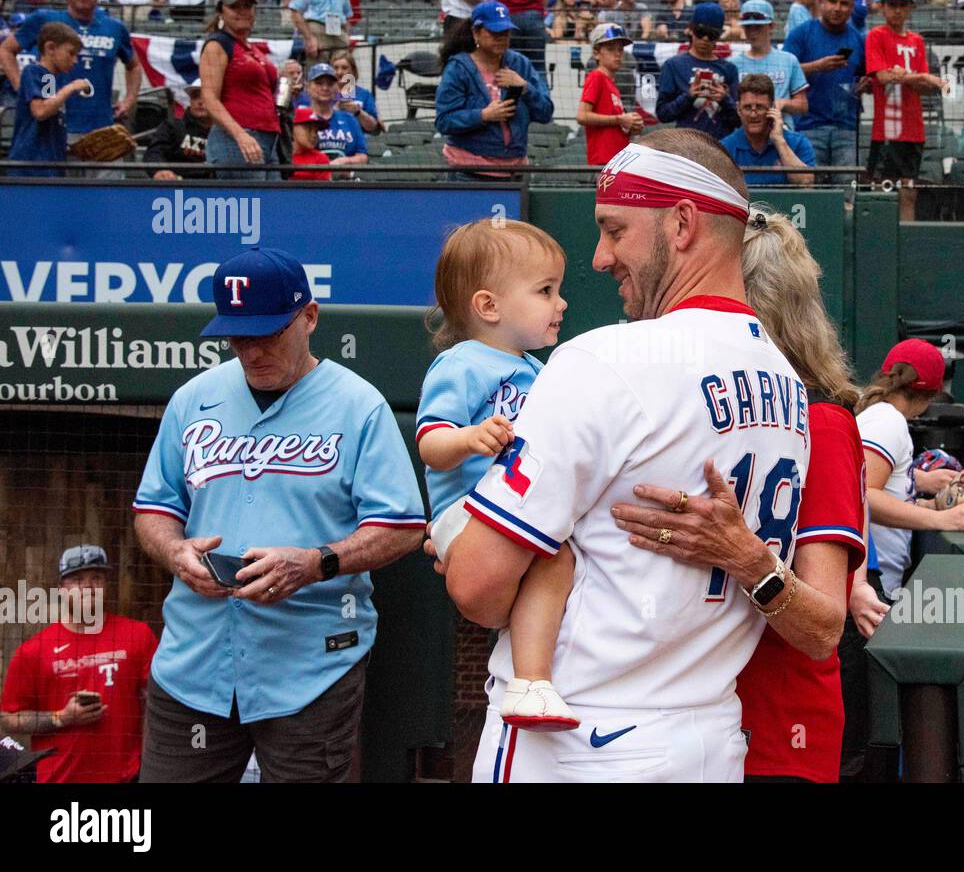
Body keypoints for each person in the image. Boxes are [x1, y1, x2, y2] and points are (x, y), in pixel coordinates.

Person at [426, 129, 813, 782]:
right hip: (708, 732)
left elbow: (478, 588)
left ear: (683, 222)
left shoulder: (605, 359)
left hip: (580, 735)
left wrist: (463, 547)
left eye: (615, 229)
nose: (600, 258)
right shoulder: (787, 384)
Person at [133, 247, 425, 783]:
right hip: (194, 663)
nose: (251, 350)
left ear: (309, 317)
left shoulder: (359, 406)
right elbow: (154, 509)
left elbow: (403, 527)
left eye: (268, 333)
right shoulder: (193, 399)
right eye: (238, 336)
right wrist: (175, 551)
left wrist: (316, 562)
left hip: (310, 667)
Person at [612, 205, 865, 783]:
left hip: (776, 735)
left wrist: (744, 555)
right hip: (678, 727)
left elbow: (823, 630)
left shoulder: (819, 424)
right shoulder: (680, 405)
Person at [419, 219, 576, 729]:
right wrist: (468, 438)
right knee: (556, 557)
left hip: (511, 507)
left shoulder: (538, 369)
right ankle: (529, 683)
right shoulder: (460, 364)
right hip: (465, 513)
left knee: (559, 556)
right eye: (545, 291)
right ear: (489, 307)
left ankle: (531, 676)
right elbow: (430, 446)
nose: (561, 304)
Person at [0, 545, 158, 783]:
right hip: (58, 778)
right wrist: (61, 717)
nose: (88, 587)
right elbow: (8, 718)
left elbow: (155, 702)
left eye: (96, 578)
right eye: (77, 580)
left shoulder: (138, 635)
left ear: (106, 585)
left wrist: (149, 764)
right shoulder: (33, 651)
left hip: (126, 777)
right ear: (61, 589)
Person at [856, 339, 964, 603]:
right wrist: (943, 520)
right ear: (931, 394)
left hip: (871, 582)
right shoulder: (888, 421)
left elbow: (884, 492)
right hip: (869, 585)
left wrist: (933, 506)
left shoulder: (882, 416)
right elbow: (863, 496)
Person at [2, 0, 141, 179]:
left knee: (105, 199)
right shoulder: (39, 70)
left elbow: (134, 65)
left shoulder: (114, 28)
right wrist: (23, 88)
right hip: (48, 144)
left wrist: (129, 100)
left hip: (99, 128)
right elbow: (40, 108)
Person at [434, 0, 554, 180]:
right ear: (476, 32)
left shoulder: (520, 64)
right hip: (468, 173)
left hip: (515, 173)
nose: (501, 37)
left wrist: (525, 88)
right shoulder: (458, 68)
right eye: (494, 32)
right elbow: (444, 121)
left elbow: (546, 113)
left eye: (506, 32)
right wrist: (483, 115)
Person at [865, 0, 948, 222]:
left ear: (910, 7)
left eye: (903, 4)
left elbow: (922, 88)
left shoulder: (917, 41)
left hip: (913, 130)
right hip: (888, 130)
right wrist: (923, 76)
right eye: (892, 4)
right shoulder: (876, 36)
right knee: (883, 191)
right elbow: (882, 76)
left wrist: (906, 77)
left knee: (909, 192)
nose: (897, 10)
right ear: (883, 6)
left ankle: (905, 246)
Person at [199, 0, 281, 180]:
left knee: (270, 207)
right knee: (247, 206)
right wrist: (240, 135)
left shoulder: (251, 48)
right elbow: (209, 99)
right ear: (221, 12)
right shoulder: (217, 44)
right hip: (236, 139)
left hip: (267, 139)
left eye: (247, 6)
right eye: (234, 6)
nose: (242, 11)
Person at [784, 0, 865, 169]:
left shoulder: (858, 39)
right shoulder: (800, 34)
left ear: (852, 8)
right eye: (832, 1)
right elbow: (784, 72)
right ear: (821, 2)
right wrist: (816, 66)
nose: (837, 8)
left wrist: (864, 84)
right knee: (809, 190)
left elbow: (863, 76)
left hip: (847, 127)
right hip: (807, 126)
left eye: (844, 4)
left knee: (847, 190)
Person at [5, 22, 89, 177]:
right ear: (50, 48)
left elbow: (49, 111)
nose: (75, 60)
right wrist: (71, 87)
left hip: (51, 166)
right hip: (30, 168)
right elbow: (40, 110)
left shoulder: (50, 79)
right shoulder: (35, 72)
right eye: (71, 53)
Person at [653, 2, 739, 141]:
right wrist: (689, 96)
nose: (705, 39)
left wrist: (724, 99)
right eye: (701, 32)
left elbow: (738, 120)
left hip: (720, 146)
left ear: (719, 36)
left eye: (711, 35)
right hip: (686, 146)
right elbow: (663, 114)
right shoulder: (673, 65)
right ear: (691, 30)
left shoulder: (729, 69)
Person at [721, 73, 814, 186]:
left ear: (772, 108)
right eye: (747, 107)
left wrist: (779, 141)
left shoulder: (798, 143)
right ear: (738, 109)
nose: (753, 114)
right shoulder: (725, 148)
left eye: (760, 107)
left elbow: (806, 183)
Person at [731, 0, 809, 124]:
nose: (752, 32)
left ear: (771, 26)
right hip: (746, 133)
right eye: (748, 27)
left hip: (781, 130)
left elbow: (803, 105)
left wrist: (782, 103)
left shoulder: (788, 60)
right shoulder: (733, 64)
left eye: (758, 27)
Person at [577, 22, 640, 164]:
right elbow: (582, 116)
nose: (617, 54)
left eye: (620, 49)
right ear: (596, 53)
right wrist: (620, 119)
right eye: (611, 49)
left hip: (613, 161)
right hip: (604, 163)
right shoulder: (596, 77)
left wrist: (630, 125)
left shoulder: (611, 84)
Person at [301, 62, 368, 173]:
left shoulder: (349, 119)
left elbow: (363, 156)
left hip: (343, 184)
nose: (325, 87)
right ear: (308, 86)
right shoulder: (300, 118)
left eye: (330, 83)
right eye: (319, 83)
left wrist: (345, 162)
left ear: (337, 87)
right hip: (310, 182)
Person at [147, 79, 213, 179]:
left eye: (206, 97)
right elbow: (155, 153)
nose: (200, 102)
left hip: (220, 191)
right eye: (195, 97)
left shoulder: (229, 133)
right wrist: (160, 170)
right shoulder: (172, 126)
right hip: (176, 188)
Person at [331, 53, 382, 134]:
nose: (339, 72)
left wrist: (358, 112)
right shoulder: (324, 94)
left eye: (344, 68)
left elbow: (374, 128)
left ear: (353, 71)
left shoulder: (364, 95)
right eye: (335, 68)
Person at [289, 105, 331, 180]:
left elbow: (324, 191)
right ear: (292, 127)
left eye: (316, 130)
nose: (314, 135)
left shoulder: (320, 159)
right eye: (309, 128)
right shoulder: (278, 156)